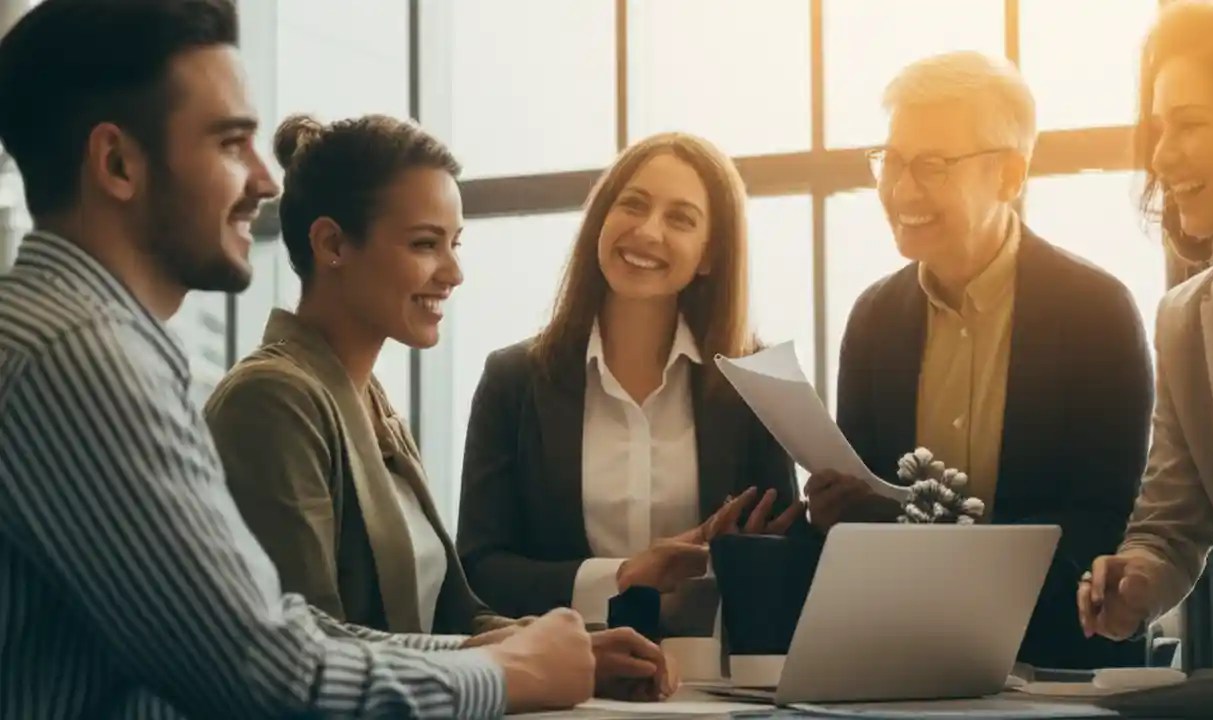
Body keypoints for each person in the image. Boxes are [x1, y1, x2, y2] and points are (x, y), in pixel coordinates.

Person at [0, 0, 596, 716]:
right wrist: (510, 677)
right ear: (118, 163)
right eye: (229, 144)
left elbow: (271, 626)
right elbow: (269, 673)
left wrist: (499, 653)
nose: (265, 179)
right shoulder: (83, 359)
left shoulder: (81, 342)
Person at [204, 113, 675, 702]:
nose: (453, 273)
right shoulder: (271, 402)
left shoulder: (370, 402)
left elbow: (455, 611)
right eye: (425, 244)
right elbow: (308, 649)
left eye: (454, 244)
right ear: (331, 244)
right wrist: (511, 661)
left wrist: (578, 646)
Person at [811, 51, 1154, 669]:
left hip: (1052, 661)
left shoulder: (1097, 311)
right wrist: (841, 511)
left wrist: (964, 569)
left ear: (1009, 176)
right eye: (891, 161)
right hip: (900, 652)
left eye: (932, 165)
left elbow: (1103, 517)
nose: (900, 188)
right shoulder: (873, 320)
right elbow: (866, 509)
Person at [456, 132, 805, 628]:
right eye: (633, 205)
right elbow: (479, 569)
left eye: (680, 219)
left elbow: (784, 556)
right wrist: (621, 577)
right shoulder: (513, 381)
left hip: (712, 682)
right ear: (601, 221)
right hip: (565, 679)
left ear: (709, 255)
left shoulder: (754, 383)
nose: (647, 231)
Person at [1080, 0, 1213, 673]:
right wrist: (1134, 579)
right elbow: (1172, 524)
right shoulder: (1186, 323)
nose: (1161, 155)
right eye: (1158, 127)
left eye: (1189, 124)